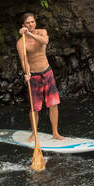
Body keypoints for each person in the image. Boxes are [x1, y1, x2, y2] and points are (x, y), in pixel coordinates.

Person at [16, 12, 64, 141]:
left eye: (32, 22)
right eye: (28, 23)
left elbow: (45, 41)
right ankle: (34, 133)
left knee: (53, 104)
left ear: (35, 23)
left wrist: (29, 34)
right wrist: (26, 73)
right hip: (34, 76)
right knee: (35, 107)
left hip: (47, 72)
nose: (31, 24)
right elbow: (24, 60)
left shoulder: (42, 32)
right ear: (23, 25)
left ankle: (55, 133)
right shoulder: (21, 43)